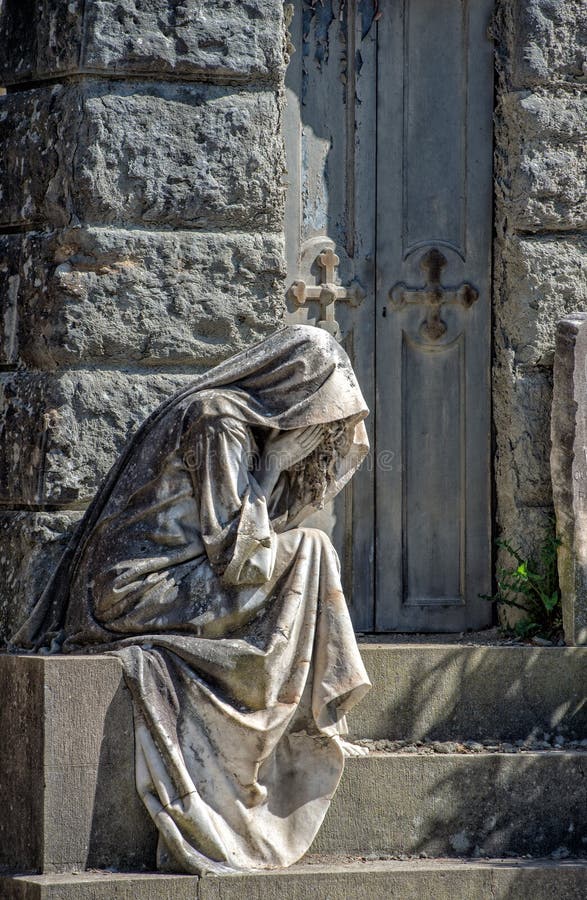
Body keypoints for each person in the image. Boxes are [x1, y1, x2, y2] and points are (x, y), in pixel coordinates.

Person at [12, 325, 371, 874]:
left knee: (306, 550)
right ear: (293, 387)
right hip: (137, 592)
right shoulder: (219, 420)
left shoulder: (237, 421)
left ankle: (309, 706)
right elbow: (243, 560)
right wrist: (273, 466)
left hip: (170, 579)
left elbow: (246, 547)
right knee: (314, 549)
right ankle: (317, 712)